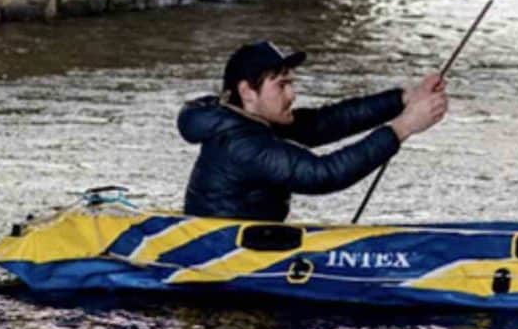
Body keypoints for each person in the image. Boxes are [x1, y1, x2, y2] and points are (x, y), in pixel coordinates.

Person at [178, 39, 447, 221]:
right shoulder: (242, 145)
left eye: (291, 84)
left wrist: (404, 99)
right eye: (281, 85)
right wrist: (404, 126)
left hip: (240, 246)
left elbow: (326, 123)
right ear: (247, 92)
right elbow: (322, 175)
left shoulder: (245, 120)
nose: (292, 95)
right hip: (223, 256)